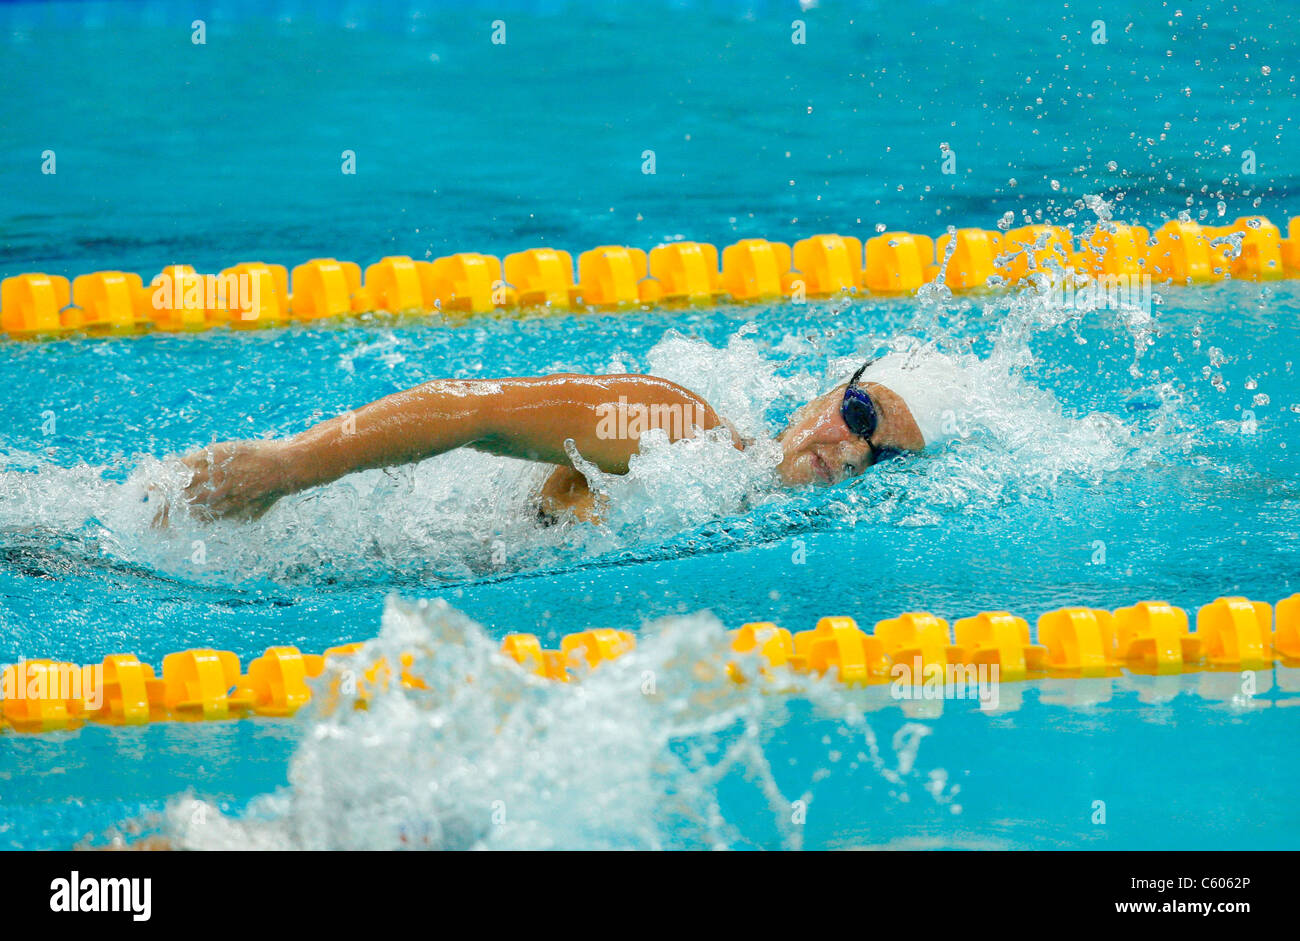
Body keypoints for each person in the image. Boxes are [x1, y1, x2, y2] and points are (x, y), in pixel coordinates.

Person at [168, 352, 954, 525]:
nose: (852, 451)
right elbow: (472, 408)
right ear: (826, 391)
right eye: (858, 416)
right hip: (275, 530)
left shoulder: (739, 509)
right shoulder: (682, 429)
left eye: (876, 455)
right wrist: (286, 467)